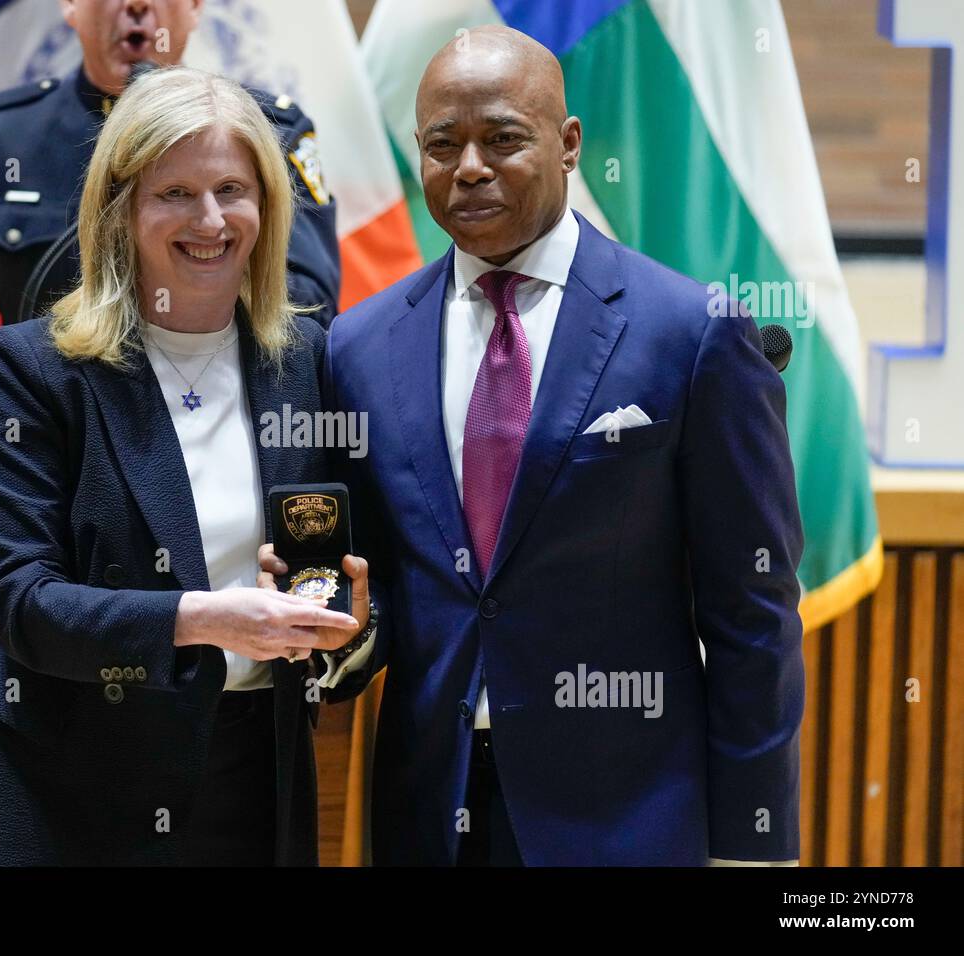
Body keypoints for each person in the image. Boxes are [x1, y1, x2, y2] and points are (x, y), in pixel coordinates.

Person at [270, 26, 806, 866]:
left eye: (503, 138)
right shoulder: (359, 346)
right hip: (430, 809)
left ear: (568, 143)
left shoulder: (690, 333)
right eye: (443, 145)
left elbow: (754, 610)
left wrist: (756, 841)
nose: (470, 166)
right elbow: (370, 573)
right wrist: (336, 629)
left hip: (630, 816)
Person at [0, 67, 371, 866]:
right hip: (62, 784)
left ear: (269, 205)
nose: (210, 218)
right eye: (174, 192)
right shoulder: (34, 370)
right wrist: (205, 619)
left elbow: (359, 581)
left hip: (248, 781)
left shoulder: (313, 363)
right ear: (120, 210)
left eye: (231, 188)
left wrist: (349, 629)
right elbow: (19, 600)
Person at [0, 0, 340, 329]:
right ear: (70, 5)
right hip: (49, 425)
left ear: (195, 7)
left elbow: (310, 311)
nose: (135, 5)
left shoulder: (266, 133)